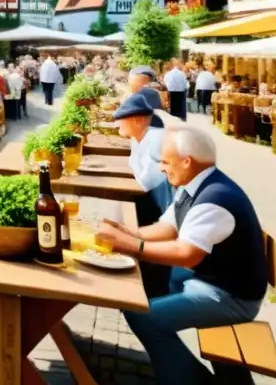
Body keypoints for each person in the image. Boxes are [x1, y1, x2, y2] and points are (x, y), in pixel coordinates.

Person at [97, 125, 267, 385]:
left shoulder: (215, 199)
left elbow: (186, 254)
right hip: (213, 283)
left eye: (165, 161)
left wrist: (129, 246)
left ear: (187, 161)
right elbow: (167, 228)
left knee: (143, 316)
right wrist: (124, 231)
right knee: (148, 286)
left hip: (232, 298)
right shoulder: (196, 186)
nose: (161, 168)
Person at [111, 92, 175, 298]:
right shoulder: (142, 138)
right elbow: (137, 173)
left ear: (138, 120)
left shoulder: (155, 139)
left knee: (123, 221)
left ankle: (145, 294)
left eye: (122, 118)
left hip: (167, 214)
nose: (117, 123)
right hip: (160, 207)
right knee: (121, 214)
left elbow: (148, 181)